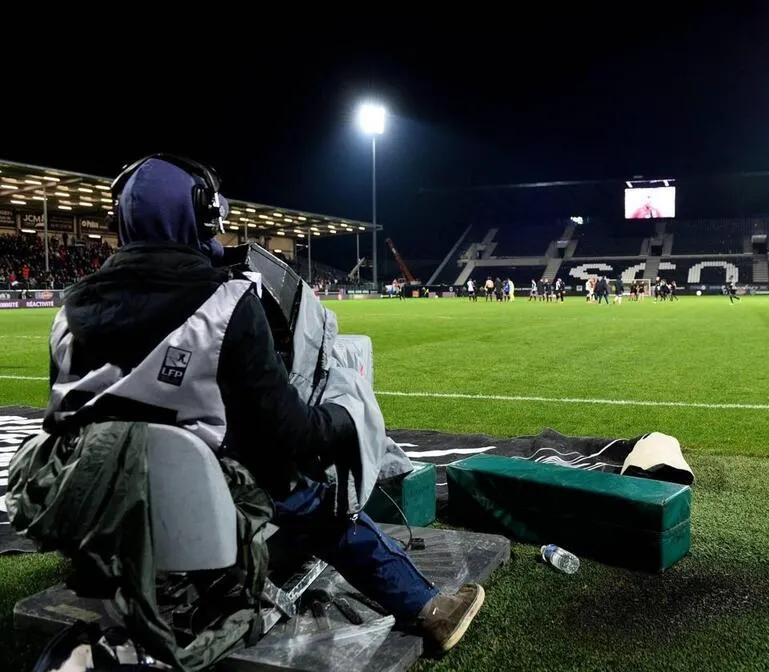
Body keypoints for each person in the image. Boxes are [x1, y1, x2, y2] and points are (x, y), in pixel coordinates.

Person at [39, 156, 484, 653]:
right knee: (317, 496)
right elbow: (290, 434)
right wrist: (346, 418)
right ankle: (423, 606)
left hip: (102, 517)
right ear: (198, 216)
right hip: (200, 514)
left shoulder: (67, 312)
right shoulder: (225, 302)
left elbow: (62, 422)